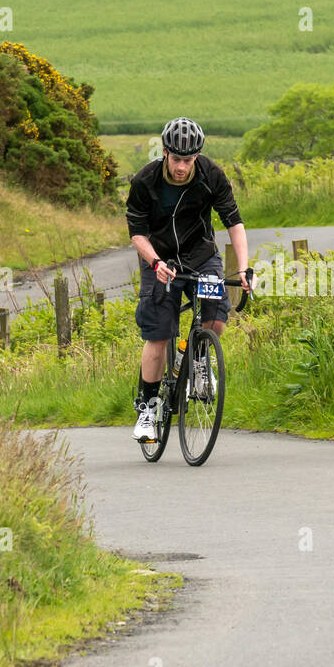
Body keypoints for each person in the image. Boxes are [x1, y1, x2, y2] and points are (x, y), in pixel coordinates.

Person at [126, 117, 250, 441]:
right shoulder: (145, 181)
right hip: (159, 259)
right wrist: (154, 263)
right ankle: (148, 409)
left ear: (197, 155)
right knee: (159, 333)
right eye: (176, 159)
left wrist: (245, 268)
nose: (182, 167)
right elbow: (137, 234)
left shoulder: (211, 175)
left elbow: (233, 222)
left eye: (188, 160)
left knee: (216, 316)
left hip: (201, 255)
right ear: (165, 152)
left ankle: (197, 362)